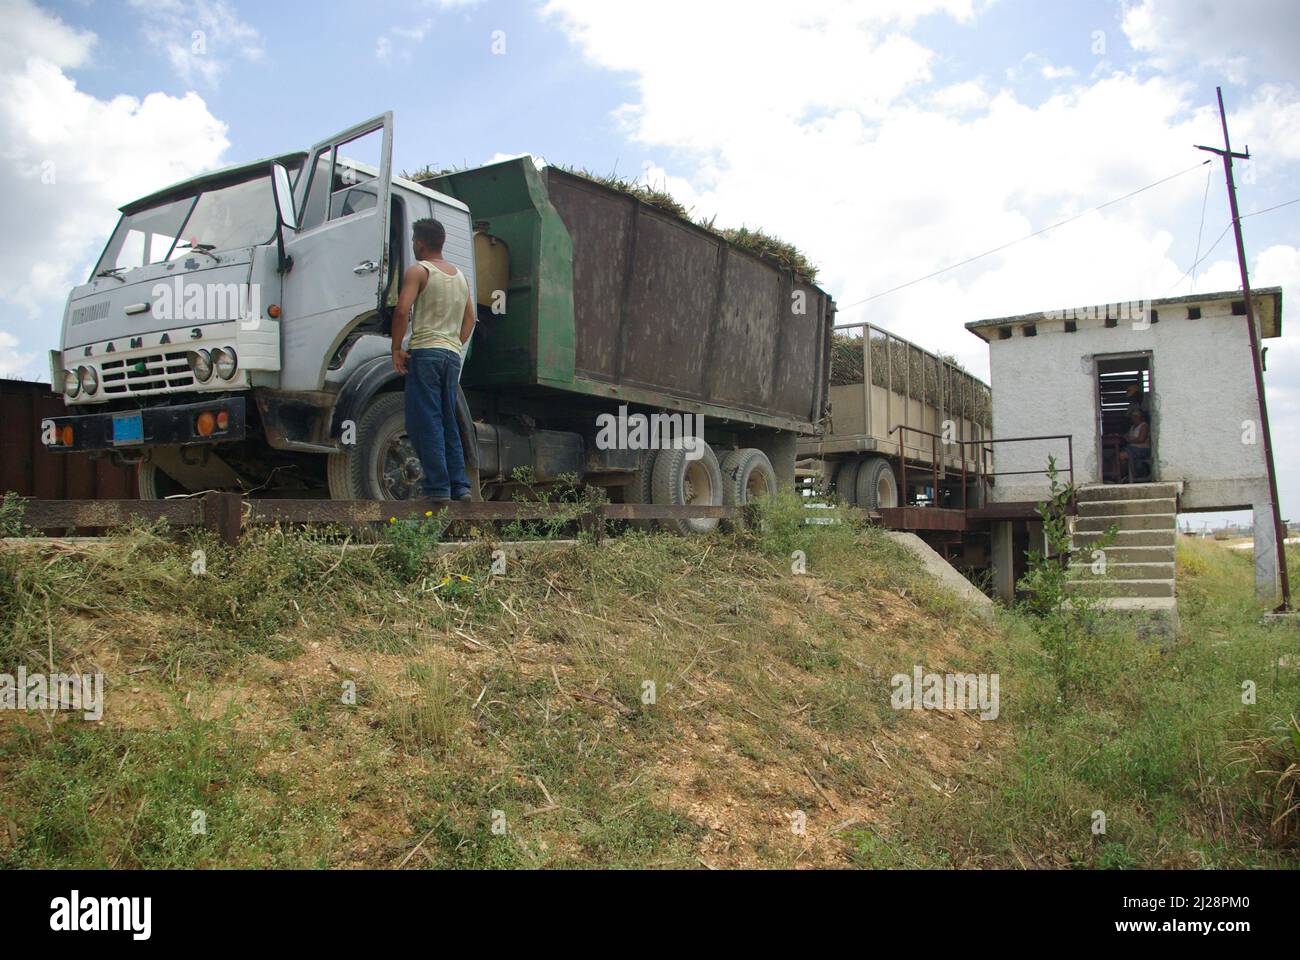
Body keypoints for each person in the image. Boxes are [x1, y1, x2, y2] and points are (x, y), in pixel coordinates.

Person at [390, 218, 476, 502]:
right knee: (448, 420)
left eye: (414, 240)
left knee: (424, 421)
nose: (413, 244)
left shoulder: (419, 271)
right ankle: (460, 486)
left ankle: (437, 488)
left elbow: (402, 310)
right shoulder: (461, 277)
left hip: (426, 352)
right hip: (452, 356)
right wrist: (453, 344)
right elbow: (471, 319)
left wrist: (396, 349)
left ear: (420, 243)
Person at [1117, 406, 1151, 483]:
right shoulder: (1132, 427)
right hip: (1132, 448)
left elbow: (1141, 439)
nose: (1132, 419)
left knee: (1121, 456)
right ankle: (1127, 476)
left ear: (1138, 417)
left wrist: (1130, 440)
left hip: (1142, 449)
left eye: (1134, 417)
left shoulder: (1144, 426)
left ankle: (1131, 475)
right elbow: (1126, 436)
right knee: (1117, 456)